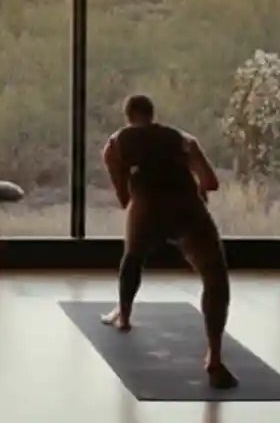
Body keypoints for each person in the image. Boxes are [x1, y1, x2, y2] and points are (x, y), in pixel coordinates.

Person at [99, 94, 236, 390]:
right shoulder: (182, 139)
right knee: (214, 276)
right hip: (187, 208)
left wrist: (137, 201)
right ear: (153, 114)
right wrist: (197, 191)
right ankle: (214, 356)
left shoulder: (115, 144)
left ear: (128, 116)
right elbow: (210, 182)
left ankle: (124, 316)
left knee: (133, 257)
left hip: (147, 207)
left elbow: (122, 193)